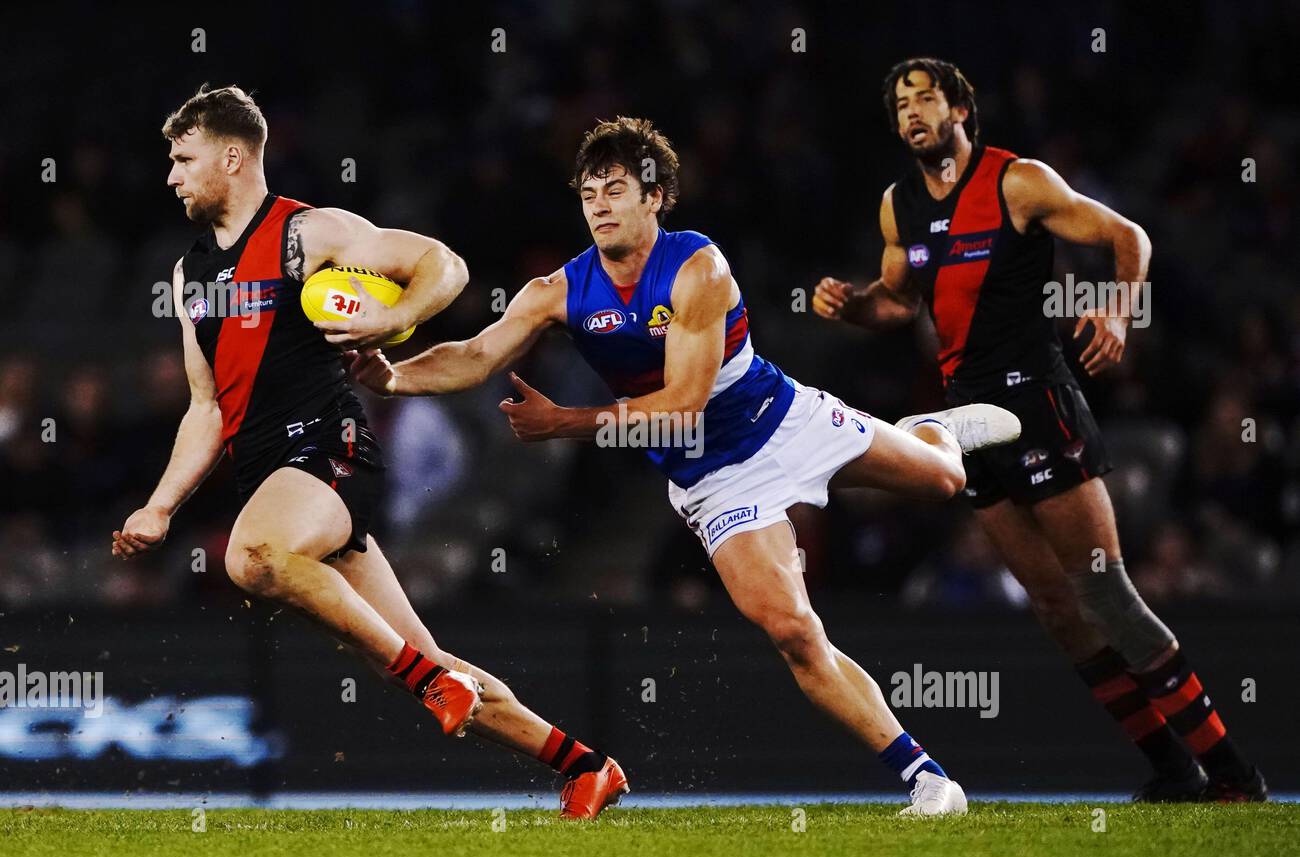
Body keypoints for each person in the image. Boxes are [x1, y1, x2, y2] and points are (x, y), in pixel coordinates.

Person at [351, 117, 1025, 815]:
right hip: (716, 481)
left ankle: (931, 434)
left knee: (945, 480)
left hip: (781, 420)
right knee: (792, 629)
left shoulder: (699, 267)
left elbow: (684, 402)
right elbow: (477, 353)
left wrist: (564, 424)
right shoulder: (557, 290)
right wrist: (394, 376)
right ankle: (927, 779)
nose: (600, 205)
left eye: (616, 189)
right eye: (588, 193)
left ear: (656, 198)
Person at [112, 85, 626, 819]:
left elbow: (442, 265)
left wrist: (396, 317)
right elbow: (204, 406)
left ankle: (425, 681)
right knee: (424, 659)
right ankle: (584, 766)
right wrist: (159, 507)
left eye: (183, 158)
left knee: (248, 557)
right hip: (276, 479)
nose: (171, 175)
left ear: (232, 157)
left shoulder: (307, 234)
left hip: (332, 449)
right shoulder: (189, 277)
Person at [813, 58, 1264, 802]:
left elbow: (1129, 236)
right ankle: (1172, 770)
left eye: (926, 98)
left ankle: (1235, 774)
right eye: (901, 104)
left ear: (962, 108)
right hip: (967, 421)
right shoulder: (898, 207)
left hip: (1038, 404)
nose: (912, 113)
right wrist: (852, 305)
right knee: (1056, 609)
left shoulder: (1016, 181)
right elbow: (897, 301)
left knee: (1105, 592)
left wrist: (1118, 311)